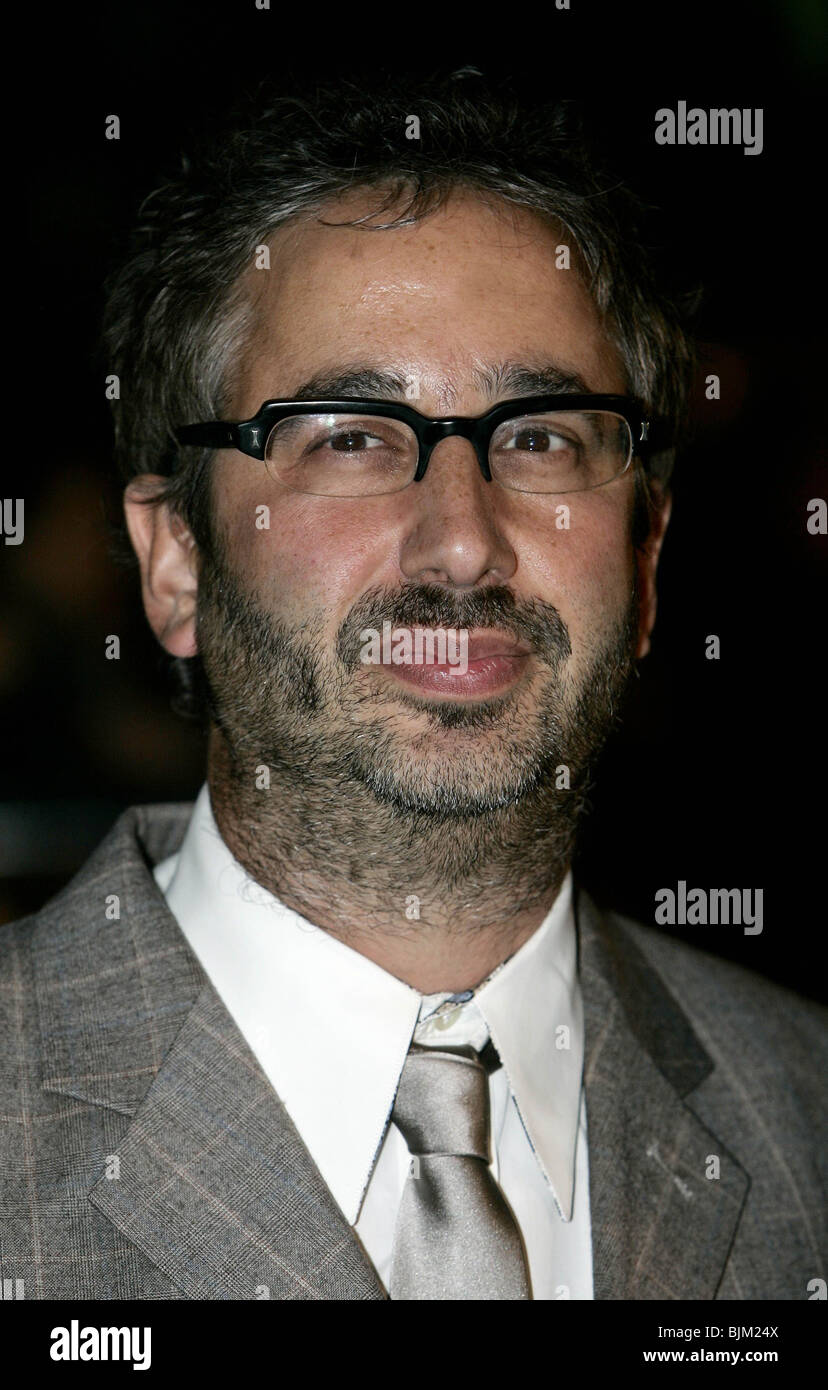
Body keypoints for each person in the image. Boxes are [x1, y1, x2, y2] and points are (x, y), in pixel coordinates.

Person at [1, 69, 824, 1301]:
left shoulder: (807, 1107)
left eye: (543, 434)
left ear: (646, 561)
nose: (462, 541)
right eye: (349, 435)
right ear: (174, 560)